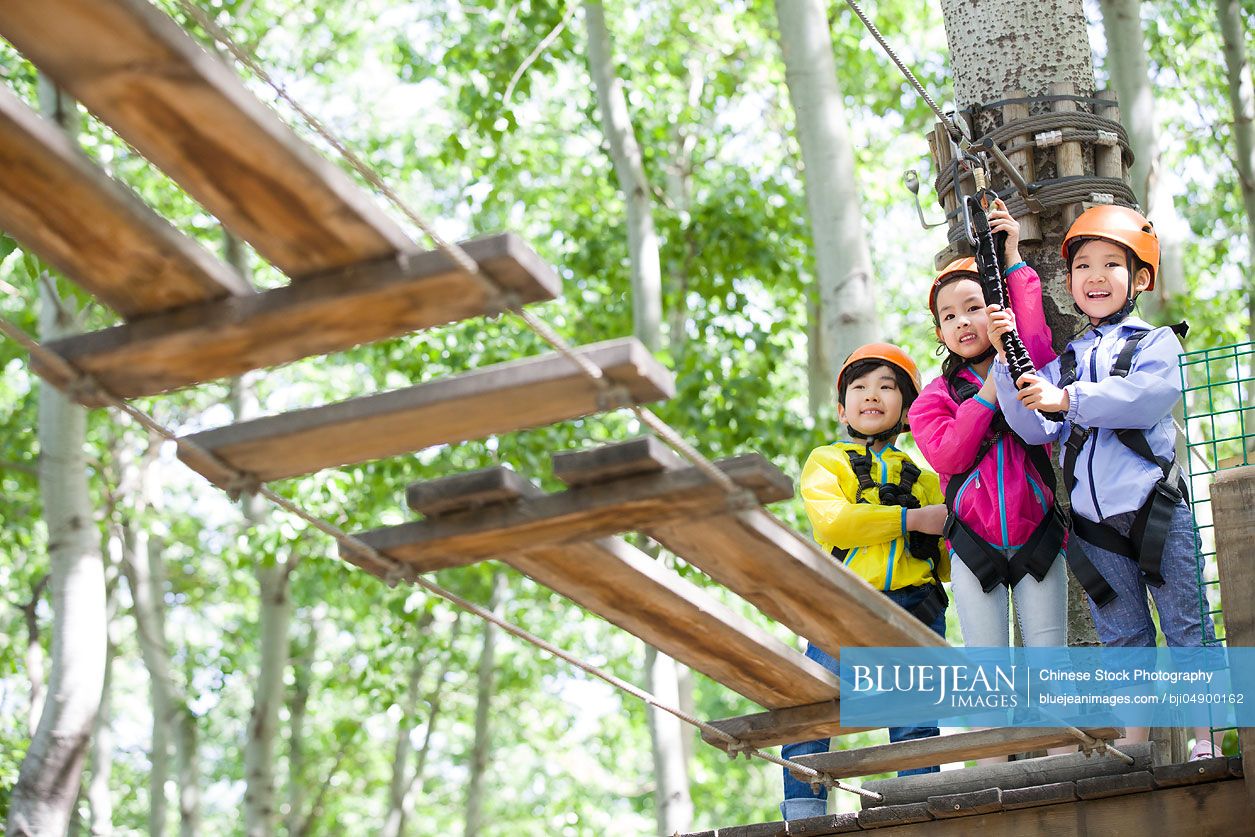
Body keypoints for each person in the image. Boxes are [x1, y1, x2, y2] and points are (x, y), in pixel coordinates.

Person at [990, 204, 1221, 760]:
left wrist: (1069, 399)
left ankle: (1206, 740)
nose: (1094, 276)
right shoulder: (1066, 362)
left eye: (1110, 265)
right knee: (1123, 640)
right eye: (1083, 266)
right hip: (1093, 529)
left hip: (1155, 513)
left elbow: (1147, 400)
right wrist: (1005, 360)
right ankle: (1135, 746)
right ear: (1069, 282)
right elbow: (1030, 420)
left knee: (1187, 629)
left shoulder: (1157, 344)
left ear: (1139, 278)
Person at [782, 343, 949, 821]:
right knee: (812, 706)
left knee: (915, 721)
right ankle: (803, 814)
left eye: (886, 387)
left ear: (908, 408)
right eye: (859, 388)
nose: (872, 395)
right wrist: (911, 521)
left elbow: (945, 551)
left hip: (915, 606)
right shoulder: (826, 462)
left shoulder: (926, 478)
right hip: (842, 602)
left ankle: (915, 812)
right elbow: (835, 523)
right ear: (842, 409)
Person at [908, 200, 1068, 650]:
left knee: (1048, 658)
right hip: (973, 545)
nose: (962, 322)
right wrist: (988, 394)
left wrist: (1012, 255)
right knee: (987, 662)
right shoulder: (932, 400)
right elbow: (949, 454)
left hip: (1037, 534)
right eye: (949, 316)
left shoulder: (1027, 365)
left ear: (995, 311)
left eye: (974, 307)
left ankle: (1055, 722)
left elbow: (1033, 329)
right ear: (940, 333)